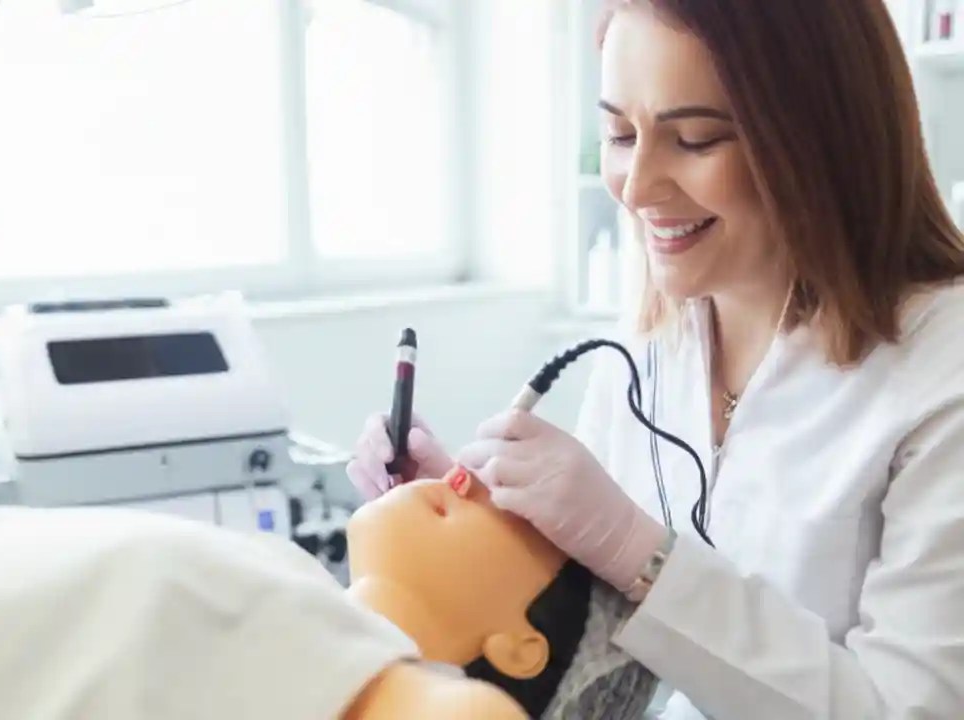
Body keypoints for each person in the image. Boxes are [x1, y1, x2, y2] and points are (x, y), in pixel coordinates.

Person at [348, 1, 964, 718]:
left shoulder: (941, 368)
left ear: (823, 139)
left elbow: (909, 710)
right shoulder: (656, 336)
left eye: (695, 139)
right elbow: (598, 621)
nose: (636, 188)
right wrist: (481, 526)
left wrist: (638, 551)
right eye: (618, 133)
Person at [0, 468, 653, 719]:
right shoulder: (272, 592)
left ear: (522, 651)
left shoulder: (425, 701)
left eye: (536, 524)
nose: (474, 481)